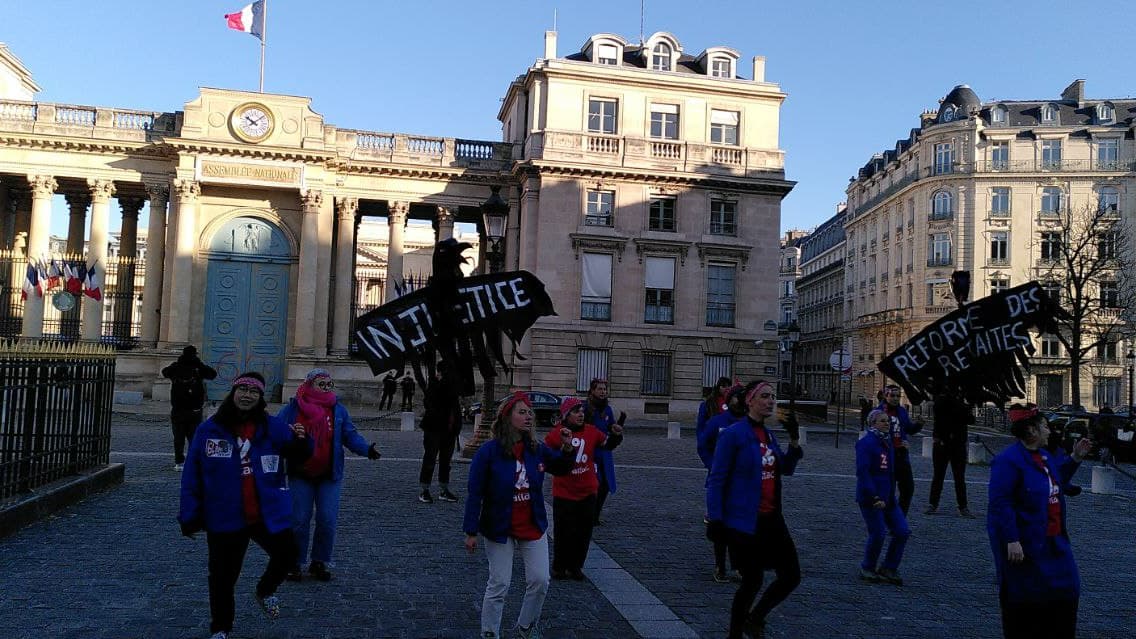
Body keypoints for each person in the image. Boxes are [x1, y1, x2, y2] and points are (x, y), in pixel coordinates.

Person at [178, 372, 312, 639]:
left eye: (254, 391)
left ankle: (265, 589)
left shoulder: (273, 427)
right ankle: (221, 628)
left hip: (265, 512)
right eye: (243, 389)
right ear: (233, 392)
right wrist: (189, 514)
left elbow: (299, 454)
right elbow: (192, 474)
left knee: (288, 554)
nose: (247, 395)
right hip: (225, 514)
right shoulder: (209, 430)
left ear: (260, 397)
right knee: (222, 577)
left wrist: (301, 440)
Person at [463, 391, 575, 639]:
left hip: (532, 525)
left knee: (541, 580)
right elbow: (475, 493)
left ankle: (526, 626)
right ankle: (490, 631)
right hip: (499, 527)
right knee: (499, 583)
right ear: (507, 417)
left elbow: (561, 468)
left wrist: (567, 448)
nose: (528, 417)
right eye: (522, 412)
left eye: (530, 413)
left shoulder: (536, 449)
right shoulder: (488, 452)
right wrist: (470, 531)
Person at [706, 380, 803, 639]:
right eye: (764, 396)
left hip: (772, 519)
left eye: (773, 397)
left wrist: (794, 441)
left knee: (791, 575)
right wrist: (715, 520)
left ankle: (756, 618)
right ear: (749, 400)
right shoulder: (733, 435)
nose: (771, 401)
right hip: (743, 520)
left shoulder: (768, 436)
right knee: (752, 581)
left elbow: (785, 468)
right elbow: (717, 479)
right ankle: (735, 633)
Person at [988, 404, 1091, 639]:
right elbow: (1000, 503)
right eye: (1045, 427)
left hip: (1055, 543)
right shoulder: (1008, 461)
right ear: (1032, 431)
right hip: (1027, 546)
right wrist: (1012, 539)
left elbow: (1056, 480)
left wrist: (1075, 458)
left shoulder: (1045, 456)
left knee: (1067, 593)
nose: (1050, 432)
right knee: (1026, 604)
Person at [277, 369, 381, 582]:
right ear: (309, 385)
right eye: (321, 384)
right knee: (299, 519)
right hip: (300, 472)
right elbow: (276, 430)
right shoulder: (293, 408)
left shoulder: (338, 410)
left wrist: (366, 449)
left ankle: (319, 561)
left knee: (327, 519)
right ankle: (294, 563)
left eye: (328, 384)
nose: (325, 388)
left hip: (329, 473)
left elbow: (349, 435)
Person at [545, 396, 624, 580]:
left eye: (582, 411)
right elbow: (547, 457)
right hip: (564, 492)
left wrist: (616, 435)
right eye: (575, 411)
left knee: (583, 533)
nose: (580, 414)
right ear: (566, 415)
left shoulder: (592, 431)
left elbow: (607, 445)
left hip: (587, 491)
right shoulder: (557, 433)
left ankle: (576, 566)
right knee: (563, 532)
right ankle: (559, 566)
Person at [698, 383, 747, 583]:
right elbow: (703, 446)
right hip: (720, 483)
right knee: (720, 525)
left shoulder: (749, 423)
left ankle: (738, 566)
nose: (742, 401)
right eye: (738, 397)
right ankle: (720, 566)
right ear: (730, 399)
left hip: (742, 484)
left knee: (739, 526)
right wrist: (713, 466)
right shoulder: (717, 422)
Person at [856, 409, 911, 585]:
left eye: (888, 421)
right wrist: (874, 496)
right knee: (878, 533)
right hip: (871, 498)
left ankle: (889, 567)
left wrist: (902, 452)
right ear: (872, 424)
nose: (887, 423)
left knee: (902, 531)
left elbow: (891, 470)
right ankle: (868, 567)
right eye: (882, 421)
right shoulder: (866, 443)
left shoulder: (887, 442)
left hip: (888, 497)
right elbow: (863, 472)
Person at [162, 345, 217, 471]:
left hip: (178, 409)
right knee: (194, 437)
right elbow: (212, 374)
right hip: (194, 409)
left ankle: (179, 461)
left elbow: (165, 372)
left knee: (178, 437)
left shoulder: (176, 367)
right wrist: (199, 364)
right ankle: (193, 461)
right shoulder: (198, 368)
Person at [418, 362, 463, 504]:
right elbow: (429, 403)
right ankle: (425, 489)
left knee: (445, 461)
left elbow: (456, 409)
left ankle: (444, 489)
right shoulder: (434, 385)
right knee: (430, 459)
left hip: (449, 430)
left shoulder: (453, 389)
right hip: (434, 428)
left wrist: (456, 427)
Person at [926, 387, 975, 517]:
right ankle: (934, 504)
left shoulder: (957, 401)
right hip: (943, 442)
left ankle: (962, 506)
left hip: (957, 443)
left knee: (958, 477)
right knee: (940, 476)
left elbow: (970, 419)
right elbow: (940, 411)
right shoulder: (944, 400)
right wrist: (963, 405)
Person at [583, 378, 625, 526]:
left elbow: (610, 426)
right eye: (600, 389)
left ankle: (596, 514)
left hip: (605, 452)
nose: (603, 392)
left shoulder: (607, 409)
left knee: (605, 484)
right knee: (593, 483)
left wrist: (616, 429)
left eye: (604, 389)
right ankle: (588, 514)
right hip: (590, 452)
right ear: (592, 390)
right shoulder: (585, 407)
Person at [878, 385, 923, 515]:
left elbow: (909, 429)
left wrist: (918, 425)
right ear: (885, 396)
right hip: (886, 457)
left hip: (902, 456)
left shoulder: (902, 411)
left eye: (898, 396)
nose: (896, 398)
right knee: (888, 491)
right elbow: (876, 434)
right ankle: (888, 519)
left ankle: (900, 517)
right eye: (892, 395)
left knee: (908, 489)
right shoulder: (879, 412)